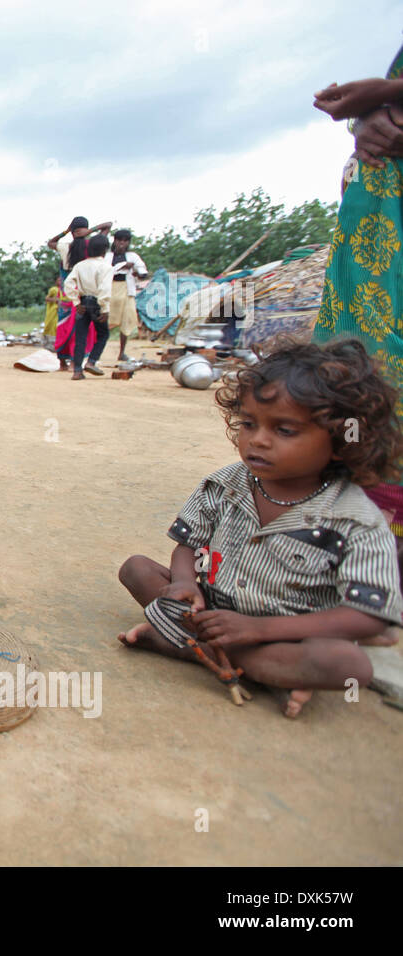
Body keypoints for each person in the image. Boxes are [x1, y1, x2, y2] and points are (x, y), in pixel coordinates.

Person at [117, 340, 403, 718]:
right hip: (211, 609)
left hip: (286, 633)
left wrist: (257, 630)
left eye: (284, 430)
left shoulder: (355, 519)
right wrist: (185, 583)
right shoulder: (226, 483)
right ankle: (257, 668)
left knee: (347, 664)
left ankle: (187, 645)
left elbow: (366, 616)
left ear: (339, 440)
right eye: (248, 424)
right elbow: (188, 543)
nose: (258, 440)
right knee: (136, 568)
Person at [312, 43, 403, 552]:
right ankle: (365, 538)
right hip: (380, 223)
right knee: (366, 370)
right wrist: (378, 112)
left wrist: (386, 94)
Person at [63, 234, 113, 379]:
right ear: (105, 250)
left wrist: (76, 302)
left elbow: (68, 284)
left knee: (81, 338)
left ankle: (77, 371)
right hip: (97, 303)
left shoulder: (80, 265)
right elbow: (104, 289)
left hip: (83, 303)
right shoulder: (105, 267)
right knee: (103, 334)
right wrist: (105, 308)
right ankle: (91, 362)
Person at [105, 229, 148, 361]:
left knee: (126, 321)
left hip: (126, 291)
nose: (122, 243)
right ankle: (94, 352)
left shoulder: (133, 256)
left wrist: (136, 272)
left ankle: (122, 352)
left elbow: (143, 273)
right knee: (104, 321)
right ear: (115, 241)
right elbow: (104, 272)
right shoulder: (107, 256)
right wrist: (120, 266)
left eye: (125, 241)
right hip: (110, 290)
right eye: (120, 240)